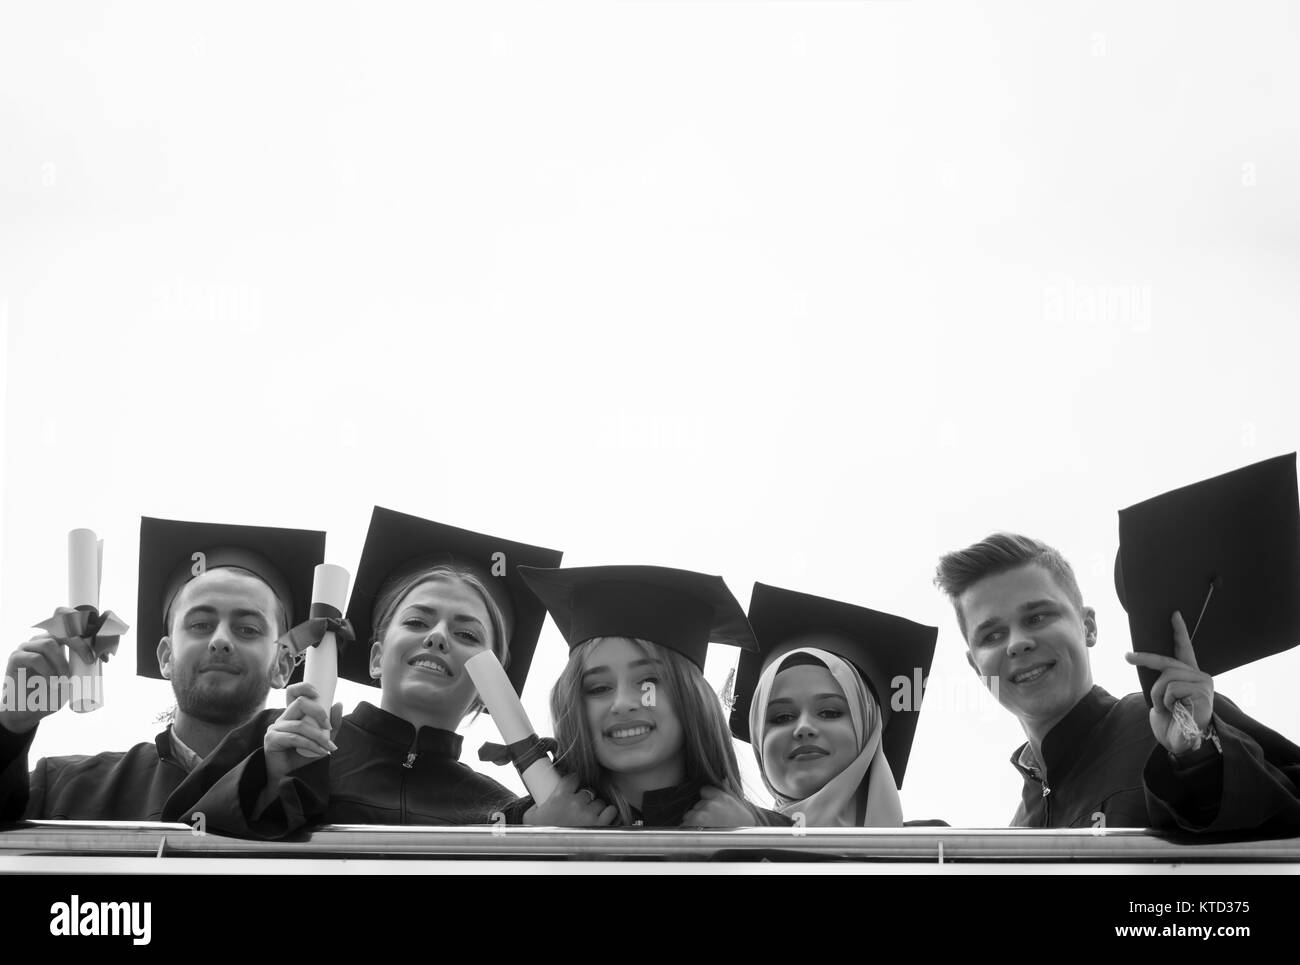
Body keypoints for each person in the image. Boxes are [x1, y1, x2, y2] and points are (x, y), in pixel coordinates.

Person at [182, 506, 562, 837]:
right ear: (376, 657)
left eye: (466, 633)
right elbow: (182, 845)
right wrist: (269, 781)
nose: (437, 637)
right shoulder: (277, 740)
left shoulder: (503, 814)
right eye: (416, 622)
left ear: (487, 688)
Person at [935, 528, 1300, 833]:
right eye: (992, 636)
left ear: (1088, 626)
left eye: (1037, 617)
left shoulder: (1168, 719)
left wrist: (1196, 756)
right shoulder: (1017, 832)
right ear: (975, 666)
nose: (1017, 643)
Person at [0, 516, 324, 823]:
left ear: (283, 665)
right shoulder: (66, 789)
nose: (221, 640)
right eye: (200, 624)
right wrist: (9, 729)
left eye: (248, 629)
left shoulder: (319, 797)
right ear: (166, 657)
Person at [515, 564, 786, 827]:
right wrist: (534, 832)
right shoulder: (516, 826)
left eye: (649, 681)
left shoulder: (785, 839)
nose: (622, 704)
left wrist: (749, 842)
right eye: (599, 688)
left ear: (692, 698)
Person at [730, 582, 938, 827]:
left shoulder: (937, 851)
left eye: (829, 712)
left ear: (868, 732)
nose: (803, 728)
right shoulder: (720, 847)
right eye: (781, 717)